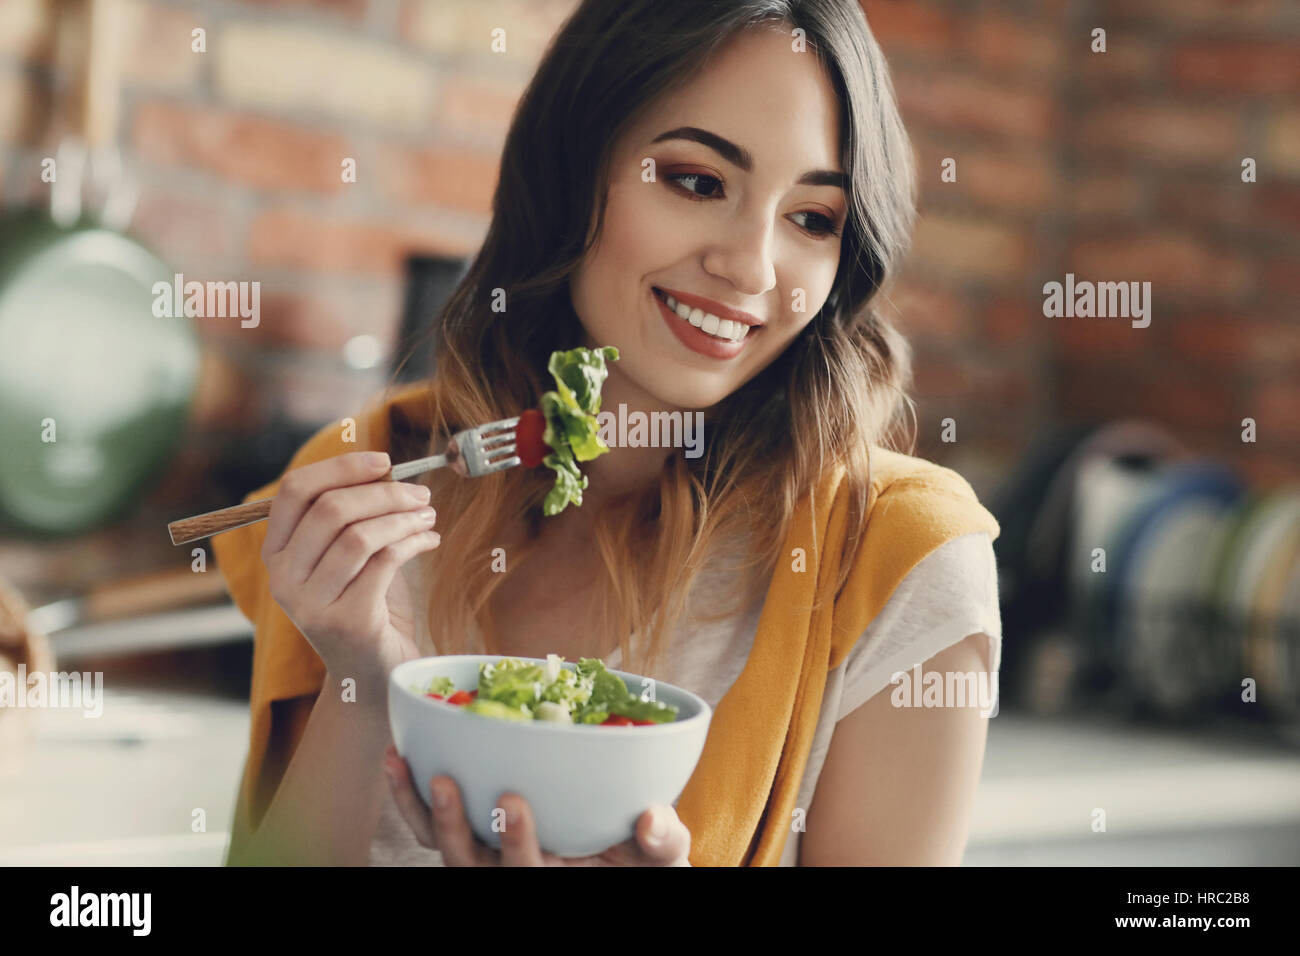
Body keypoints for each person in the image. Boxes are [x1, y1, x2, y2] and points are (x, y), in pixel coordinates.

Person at [214, 0, 1002, 867]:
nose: (749, 266)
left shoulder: (896, 557)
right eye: (698, 181)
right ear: (570, 172)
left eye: (813, 219)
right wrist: (363, 683)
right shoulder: (376, 476)